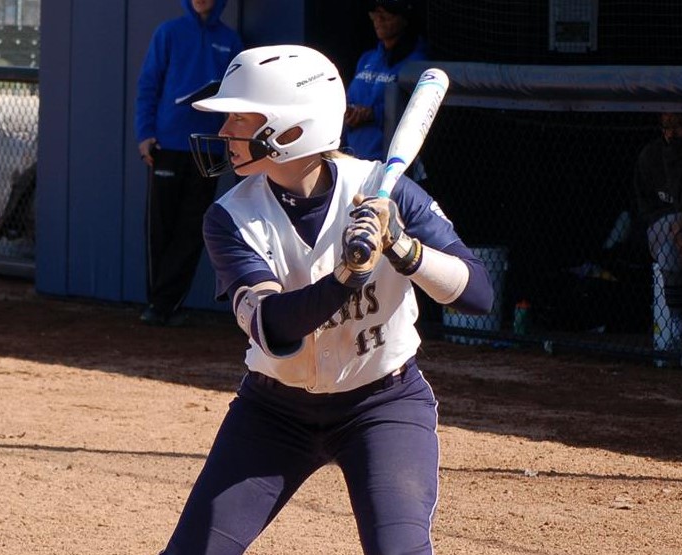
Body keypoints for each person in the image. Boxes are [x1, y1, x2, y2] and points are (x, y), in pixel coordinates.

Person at [157, 44, 494, 554]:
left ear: (292, 129)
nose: (226, 132)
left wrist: (402, 248)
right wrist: (346, 276)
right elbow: (274, 329)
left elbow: (478, 294)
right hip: (273, 412)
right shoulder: (229, 217)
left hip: (383, 404)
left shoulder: (388, 193)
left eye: (240, 118)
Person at [134, 0, 242, 326]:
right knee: (161, 226)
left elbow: (238, 100)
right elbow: (148, 85)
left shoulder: (231, 41)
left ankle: (169, 303)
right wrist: (146, 133)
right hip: (167, 145)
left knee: (192, 229)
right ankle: (157, 304)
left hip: (207, 150)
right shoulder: (168, 33)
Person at [633, 112, 682, 349]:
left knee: (680, 224)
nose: (672, 133)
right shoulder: (650, 155)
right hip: (662, 228)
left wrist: (677, 156)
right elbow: (646, 209)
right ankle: (680, 324)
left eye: (679, 126)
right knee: (673, 235)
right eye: (667, 127)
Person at [344, 0, 429, 163]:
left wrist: (373, 114)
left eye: (386, 12)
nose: (378, 18)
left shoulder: (419, 62)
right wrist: (347, 112)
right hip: (353, 161)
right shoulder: (367, 58)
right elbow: (349, 99)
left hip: (391, 165)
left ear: (404, 18)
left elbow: (417, 115)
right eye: (375, 12)